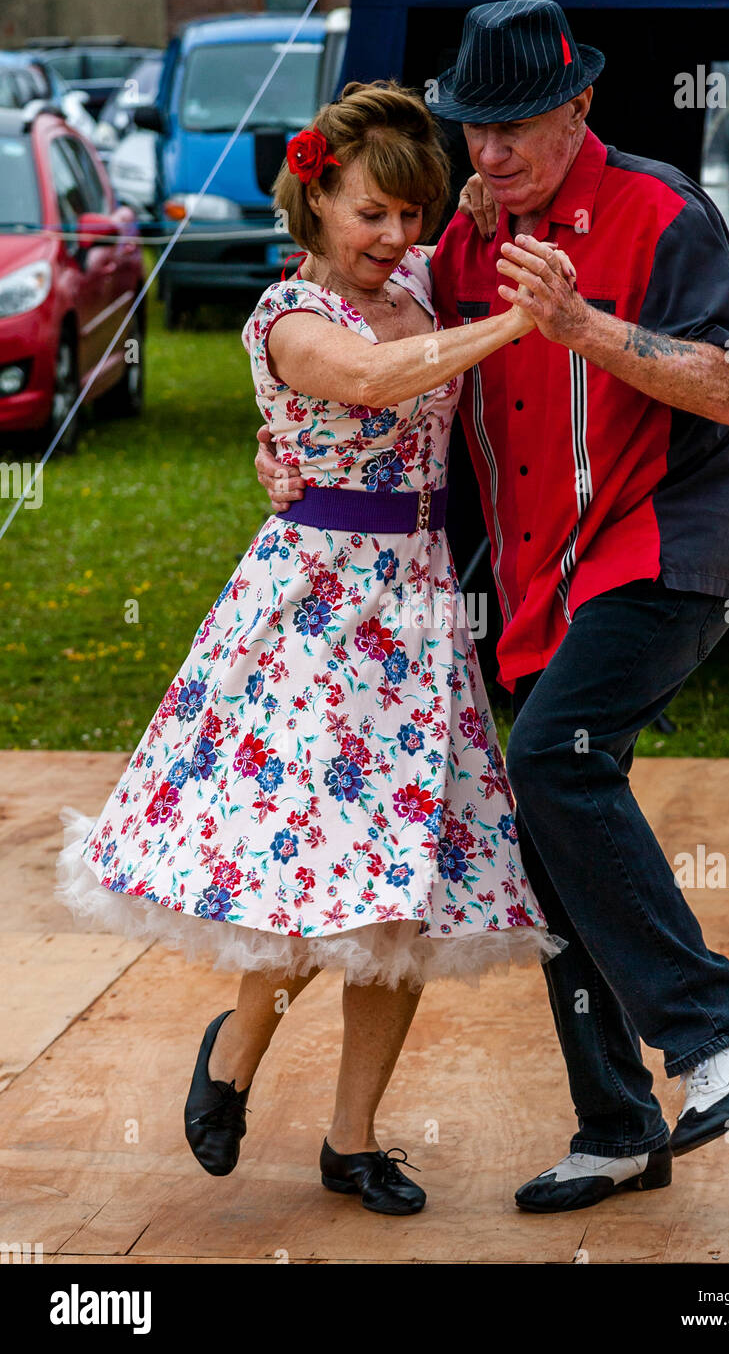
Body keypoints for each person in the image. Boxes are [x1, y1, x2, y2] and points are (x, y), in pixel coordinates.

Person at [257, 0, 729, 1215]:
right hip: (537, 580)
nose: (484, 156)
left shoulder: (659, 210)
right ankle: (614, 1124)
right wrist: (290, 456)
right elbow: (387, 383)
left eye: (511, 128)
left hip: (667, 549)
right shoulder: (453, 245)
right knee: (545, 835)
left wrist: (580, 325)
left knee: (554, 757)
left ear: (578, 106)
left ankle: (714, 1034)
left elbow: (726, 390)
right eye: (471, 130)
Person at [55, 78, 564, 1218]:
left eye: (409, 216)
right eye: (372, 214)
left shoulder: (424, 280)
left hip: (419, 612)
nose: (397, 237)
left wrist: (482, 189)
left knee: (401, 896)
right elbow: (379, 382)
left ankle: (353, 1141)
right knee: (308, 878)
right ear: (317, 197)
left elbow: (477, 209)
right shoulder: (289, 319)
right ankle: (232, 1054)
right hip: (314, 614)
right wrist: (525, 320)